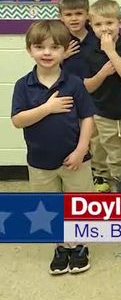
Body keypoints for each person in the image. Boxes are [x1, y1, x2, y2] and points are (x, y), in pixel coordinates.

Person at [12, 20, 96, 274]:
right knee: (49, 205)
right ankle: (61, 246)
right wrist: (47, 108)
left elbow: (87, 117)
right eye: (40, 47)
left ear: (64, 52)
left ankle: (79, 245)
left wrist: (81, 149)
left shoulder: (74, 83)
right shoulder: (22, 85)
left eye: (54, 47)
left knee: (78, 201)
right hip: (40, 160)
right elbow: (18, 120)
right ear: (30, 50)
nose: (47, 53)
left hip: (75, 158)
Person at [84, 0, 121, 193]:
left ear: (120, 23)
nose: (104, 29)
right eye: (98, 24)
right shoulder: (89, 51)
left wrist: (110, 52)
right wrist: (102, 73)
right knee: (115, 159)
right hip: (103, 114)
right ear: (91, 26)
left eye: (109, 23)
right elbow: (88, 87)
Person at [57, 0, 109, 192]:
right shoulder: (60, 39)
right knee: (73, 135)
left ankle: (99, 175)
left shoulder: (97, 37)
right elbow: (46, 63)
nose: (73, 18)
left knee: (96, 139)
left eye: (78, 13)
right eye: (68, 14)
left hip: (96, 97)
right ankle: (73, 173)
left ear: (87, 15)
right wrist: (62, 56)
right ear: (61, 17)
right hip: (68, 99)